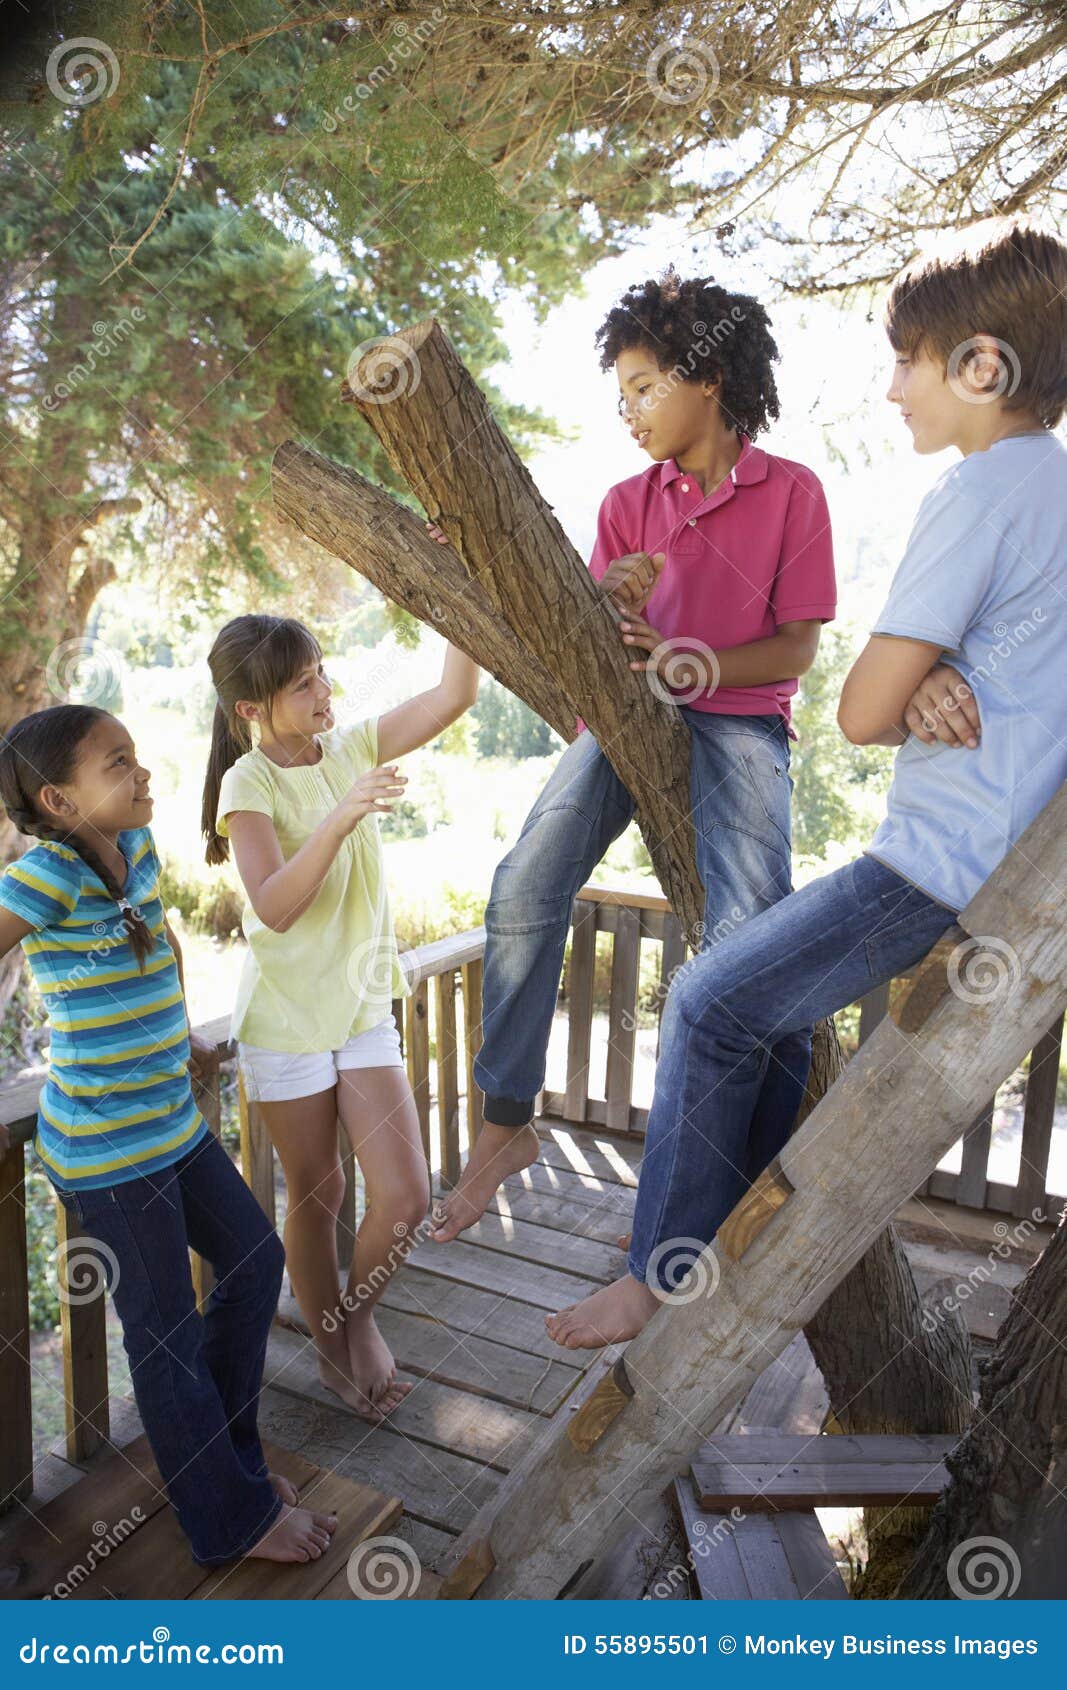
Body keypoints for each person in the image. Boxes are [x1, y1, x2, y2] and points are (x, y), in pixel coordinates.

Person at [545, 216, 1067, 1349]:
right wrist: (933, 670)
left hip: (942, 861)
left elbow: (853, 707)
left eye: (906, 361)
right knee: (761, 1003)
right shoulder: (1056, 492)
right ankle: (742, 1222)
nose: (889, 390)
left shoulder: (975, 495)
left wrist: (909, 677)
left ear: (981, 365)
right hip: (1007, 848)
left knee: (707, 1000)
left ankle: (654, 1272)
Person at [430, 265, 837, 1244]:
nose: (629, 410)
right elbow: (593, 637)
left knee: (741, 944)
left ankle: (713, 1191)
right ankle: (502, 1127)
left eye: (644, 386)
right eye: (618, 396)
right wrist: (608, 594)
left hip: (739, 720)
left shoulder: (791, 493)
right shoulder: (623, 500)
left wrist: (700, 660)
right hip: (626, 716)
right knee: (524, 879)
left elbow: (795, 646)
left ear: (710, 378)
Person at [0, 705, 336, 1565]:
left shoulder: (136, 847)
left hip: (172, 1129)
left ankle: (225, 1464)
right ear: (59, 800)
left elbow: (164, 939)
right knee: (165, 1338)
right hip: (108, 1155)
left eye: (137, 756)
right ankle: (228, 1520)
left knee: (256, 1261)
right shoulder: (44, 877)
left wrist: (177, 1033)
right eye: (118, 764)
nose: (143, 773)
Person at [202, 614, 478, 1420]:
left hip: (359, 1008)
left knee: (404, 1197)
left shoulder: (352, 745)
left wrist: (455, 583)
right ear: (252, 710)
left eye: (322, 671)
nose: (326, 691)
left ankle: (353, 1322)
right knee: (317, 1200)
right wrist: (343, 813)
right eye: (303, 684)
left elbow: (454, 692)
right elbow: (274, 906)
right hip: (285, 1018)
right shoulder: (246, 785)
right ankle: (332, 1352)